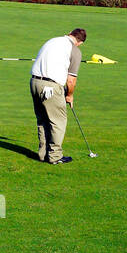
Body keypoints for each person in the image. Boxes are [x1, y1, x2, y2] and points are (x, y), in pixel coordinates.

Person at [29, 28, 86, 164]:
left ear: (70, 34)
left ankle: (43, 154)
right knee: (58, 121)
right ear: (80, 42)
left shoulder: (52, 40)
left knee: (43, 120)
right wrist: (70, 95)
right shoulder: (75, 50)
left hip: (34, 82)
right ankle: (55, 156)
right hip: (51, 86)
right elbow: (71, 80)